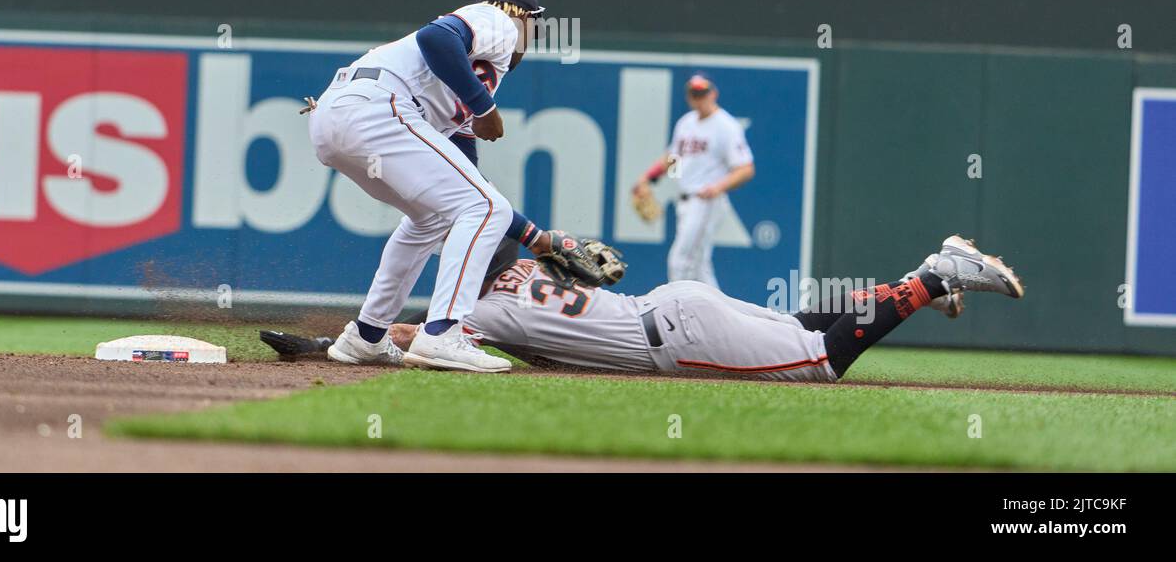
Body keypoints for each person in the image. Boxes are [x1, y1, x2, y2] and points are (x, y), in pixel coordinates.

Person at [308, 0, 545, 373]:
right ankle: (442, 334)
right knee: (486, 209)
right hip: (378, 107)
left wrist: (537, 237)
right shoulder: (498, 19)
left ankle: (366, 336)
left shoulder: (480, 67)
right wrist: (485, 109)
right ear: (527, 17)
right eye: (535, 24)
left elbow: (467, 176)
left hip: (340, 119)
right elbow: (435, 38)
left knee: (434, 216)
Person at [386, 235, 1021, 381]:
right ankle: (909, 282)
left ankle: (935, 279)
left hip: (676, 336)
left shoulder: (485, 315)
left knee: (820, 362)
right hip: (673, 299)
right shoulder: (526, 270)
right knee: (803, 323)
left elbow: (418, 338)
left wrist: (356, 338)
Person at [633, 75, 755, 286]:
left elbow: (745, 169)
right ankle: (719, 316)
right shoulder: (686, 122)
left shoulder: (726, 125)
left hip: (705, 200)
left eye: (703, 94)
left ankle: (675, 312)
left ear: (713, 94)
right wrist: (647, 179)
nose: (699, 99)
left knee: (680, 261)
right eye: (695, 95)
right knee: (699, 268)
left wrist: (718, 187)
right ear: (689, 97)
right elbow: (674, 160)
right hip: (685, 201)